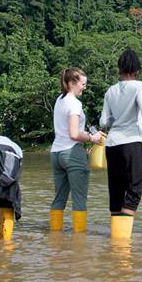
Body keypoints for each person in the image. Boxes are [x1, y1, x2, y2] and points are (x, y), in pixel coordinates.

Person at [100, 49, 142, 238]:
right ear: (136, 69)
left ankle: (116, 241)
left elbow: (103, 122)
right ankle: (123, 240)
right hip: (132, 142)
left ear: (119, 69)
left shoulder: (110, 91)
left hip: (112, 144)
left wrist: (115, 119)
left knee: (116, 190)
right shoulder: (139, 86)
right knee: (134, 189)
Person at [49, 68, 105, 233]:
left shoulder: (59, 100)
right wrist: (92, 138)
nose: (84, 88)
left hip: (56, 153)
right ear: (72, 83)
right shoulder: (74, 103)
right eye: (83, 84)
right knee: (79, 199)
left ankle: (55, 235)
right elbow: (74, 134)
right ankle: (79, 240)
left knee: (59, 198)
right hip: (72, 153)